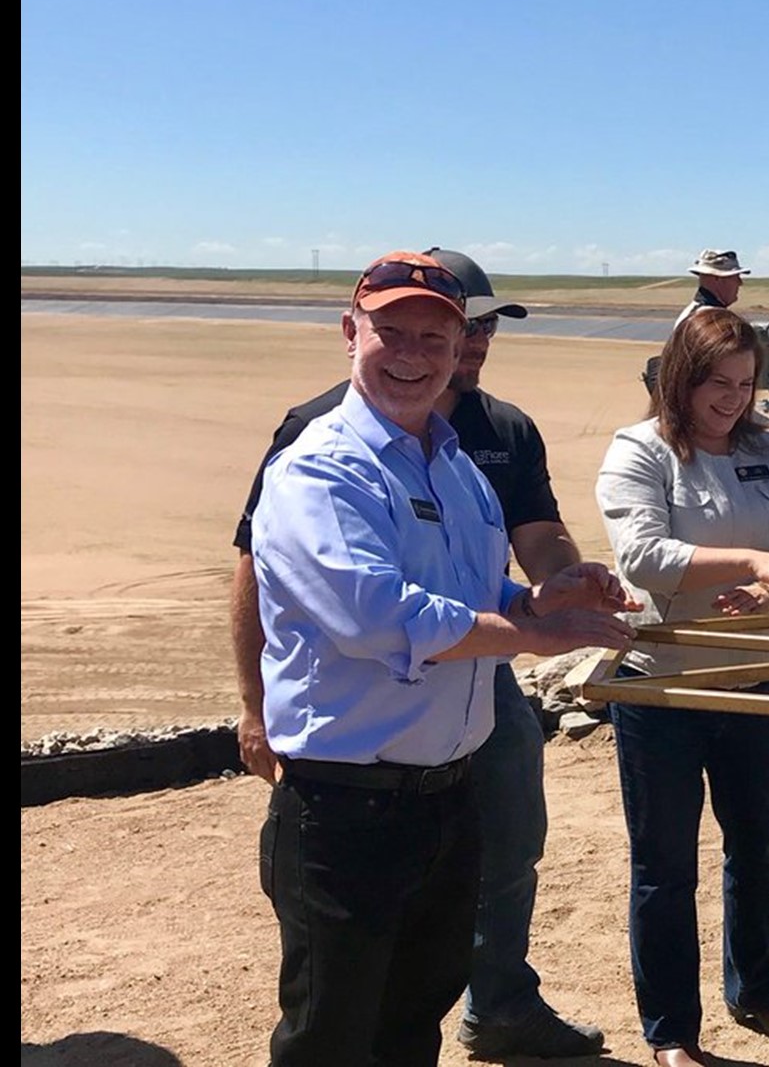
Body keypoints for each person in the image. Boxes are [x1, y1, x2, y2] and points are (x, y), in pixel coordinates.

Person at [246, 251, 639, 1064]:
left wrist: (540, 601)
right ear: (350, 332)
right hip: (344, 810)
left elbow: (473, 591)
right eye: (391, 332)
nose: (412, 355)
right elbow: (376, 617)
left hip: (446, 802)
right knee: (331, 1038)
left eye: (435, 337)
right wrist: (531, 636)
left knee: (409, 1027)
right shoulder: (323, 466)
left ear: (462, 347)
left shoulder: (455, 466)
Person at [594, 306, 769, 1067]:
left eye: (746, 383)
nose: (733, 399)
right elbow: (644, 557)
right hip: (663, 691)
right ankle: (671, 1032)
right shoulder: (640, 450)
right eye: (717, 383)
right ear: (681, 380)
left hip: (747, 682)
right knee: (664, 866)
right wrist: (752, 563)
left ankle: (755, 990)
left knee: (757, 848)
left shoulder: (767, 448)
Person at [672, 247, 750, 330]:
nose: (740, 283)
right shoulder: (713, 320)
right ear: (717, 278)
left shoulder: (694, 314)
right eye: (736, 277)